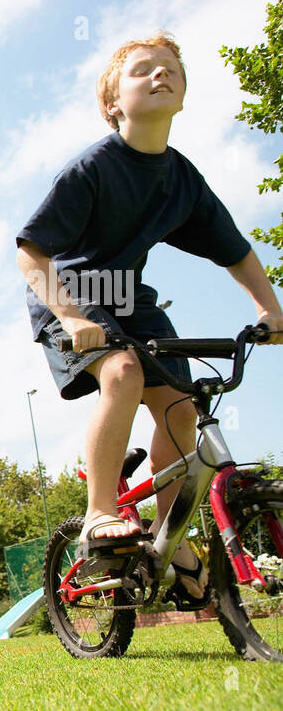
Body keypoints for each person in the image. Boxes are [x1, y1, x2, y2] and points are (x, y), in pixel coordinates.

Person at [15, 32, 283, 608]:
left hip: (134, 302)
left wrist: (269, 307)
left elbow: (234, 249)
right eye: (142, 71)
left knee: (183, 408)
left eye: (170, 70)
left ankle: (170, 537)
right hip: (74, 292)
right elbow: (31, 252)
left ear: (183, 95)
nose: (160, 75)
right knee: (123, 373)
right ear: (113, 103)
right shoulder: (93, 167)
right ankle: (99, 512)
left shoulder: (182, 180)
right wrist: (67, 314)